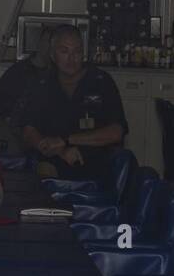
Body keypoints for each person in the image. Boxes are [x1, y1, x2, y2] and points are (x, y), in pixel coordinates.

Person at [9, 25, 125, 179]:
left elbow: (117, 132)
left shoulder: (101, 82)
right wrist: (60, 150)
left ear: (83, 54)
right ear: (52, 54)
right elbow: (29, 131)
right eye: (64, 51)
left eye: (77, 51)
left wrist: (66, 140)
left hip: (95, 167)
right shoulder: (42, 84)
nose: (71, 58)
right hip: (52, 164)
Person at [0, 30, 54, 144]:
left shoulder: (56, 75)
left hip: (45, 138)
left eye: (53, 44)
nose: (49, 47)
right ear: (39, 43)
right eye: (47, 42)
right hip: (17, 136)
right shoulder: (18, 71)